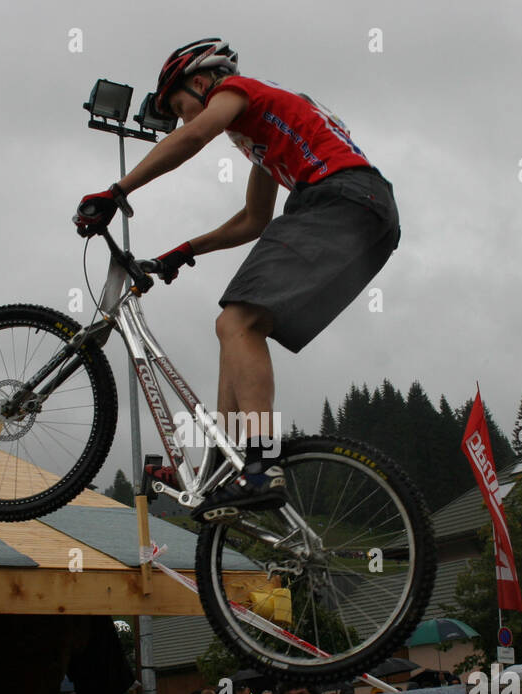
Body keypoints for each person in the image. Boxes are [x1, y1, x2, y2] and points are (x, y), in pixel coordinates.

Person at [74, 38, 400, 523]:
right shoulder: (262, 135)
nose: (182, 118)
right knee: (237, 327)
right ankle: (229, 469)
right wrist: (183, 252)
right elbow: (253, 219)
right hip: (368, 215)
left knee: (237, 324)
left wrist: (116, 191)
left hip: (338, 199)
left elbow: (193, 137)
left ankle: (261, 461)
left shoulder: (241, 92)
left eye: (179, 105)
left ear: (202, 82)